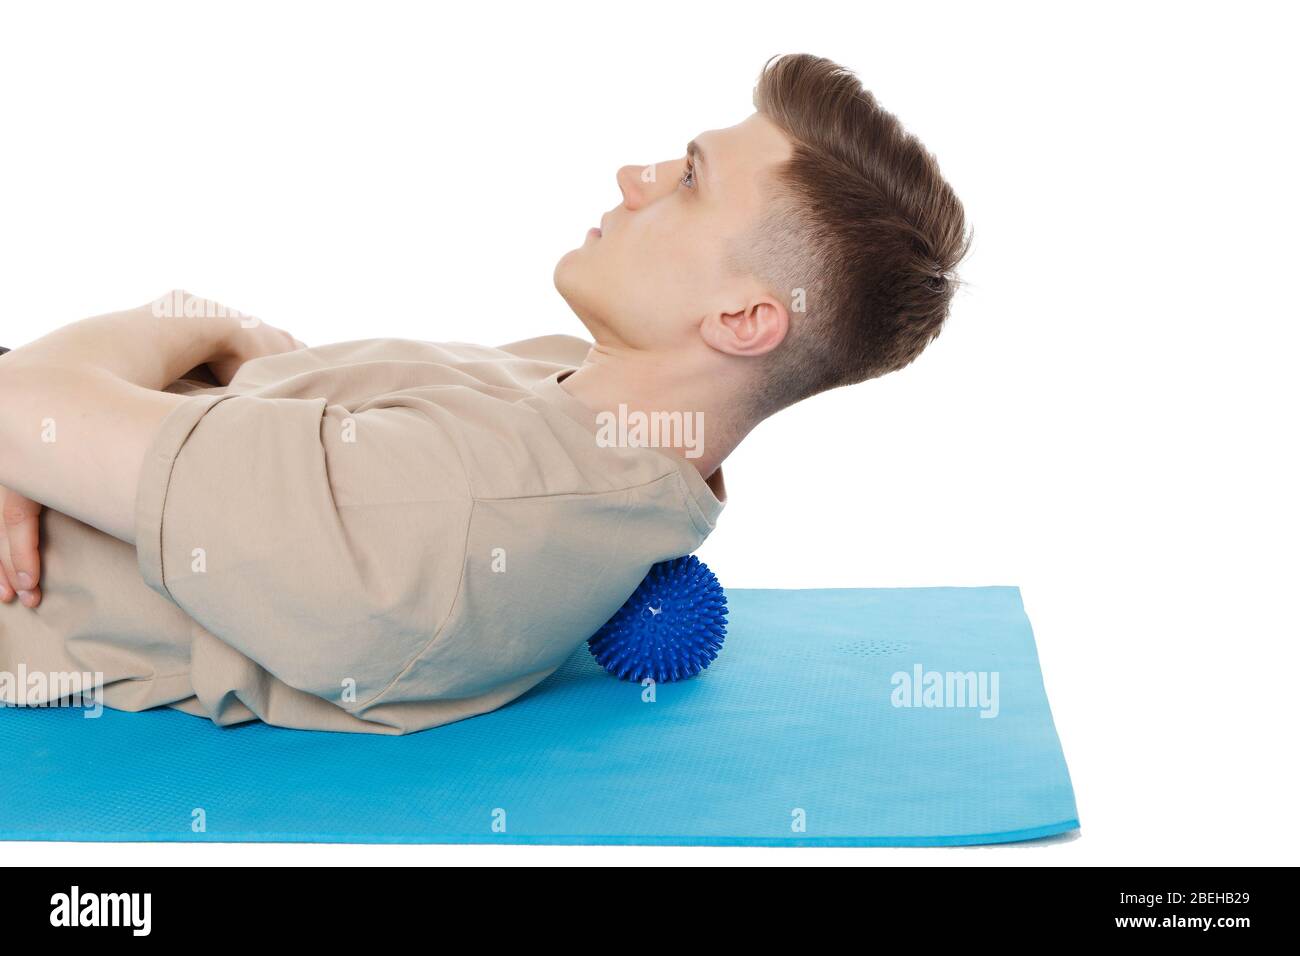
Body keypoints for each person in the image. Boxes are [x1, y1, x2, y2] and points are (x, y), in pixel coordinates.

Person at [0, 53, 970, 734]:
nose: (633, 176)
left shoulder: (453, 504)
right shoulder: (572, 392)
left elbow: (23, 404)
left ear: (743, 319)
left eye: (686, 180)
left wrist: (189, 319)